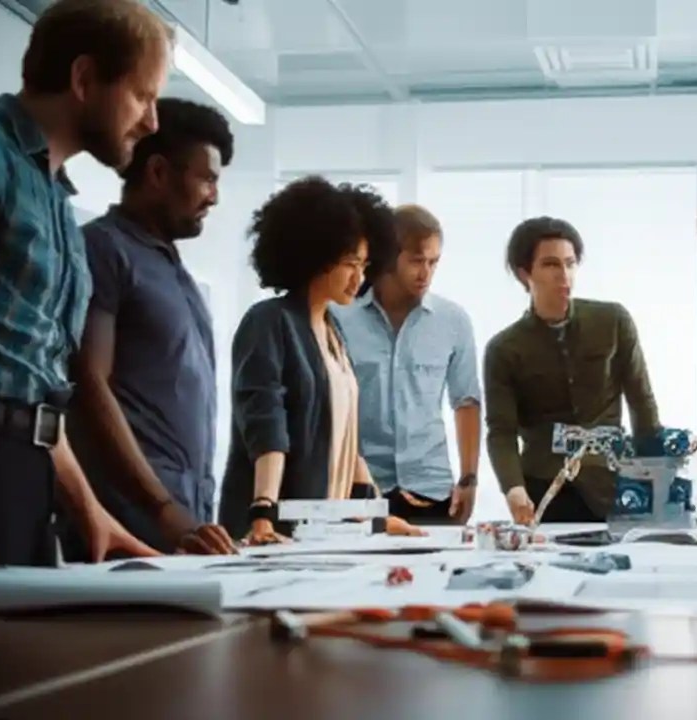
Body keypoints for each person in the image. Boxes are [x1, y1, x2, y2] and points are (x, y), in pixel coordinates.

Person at [0, 0, 169, 569]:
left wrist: (89, 510)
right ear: (83, 78)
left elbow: (32, 380)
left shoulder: (56, 199)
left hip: (22, 475)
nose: (153, 121)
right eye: (143, 96)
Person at [67, 98, 238, 556]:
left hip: (188, 512)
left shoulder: (174, 268)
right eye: (206, 179)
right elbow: (89, 382)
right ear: (159, 173)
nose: (214, 196)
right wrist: (161, 506)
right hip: (133, 517)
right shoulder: (103, 249)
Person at [219, 178, 425, 543]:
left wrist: (379, 515)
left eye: (364, 265)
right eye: (349, 264)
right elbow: (266, 425)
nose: (359, 278)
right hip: (272, 531)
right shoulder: (269, 321)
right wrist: (262, 513)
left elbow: (348, 443)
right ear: (315, 257)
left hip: (320, 530)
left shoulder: (333, 331)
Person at [484, 217, 660, 524]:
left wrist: (657, 472)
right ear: (525, 273)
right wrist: (513, 488)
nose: (564, 276)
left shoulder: (613, 321)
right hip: (544, 488)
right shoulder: (504, 348)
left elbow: (641, 401)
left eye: (570, 263)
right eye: (551, 265)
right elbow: (501, 431)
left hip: (614, 484)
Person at [335, 204, 482, 525]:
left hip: (431, 488)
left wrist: (469, 478)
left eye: (433, 262)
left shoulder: (453, 321)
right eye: (417, 261)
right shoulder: (339, 317)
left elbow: (466, 401)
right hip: (359, 490)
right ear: (389, 257)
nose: (426, 273)